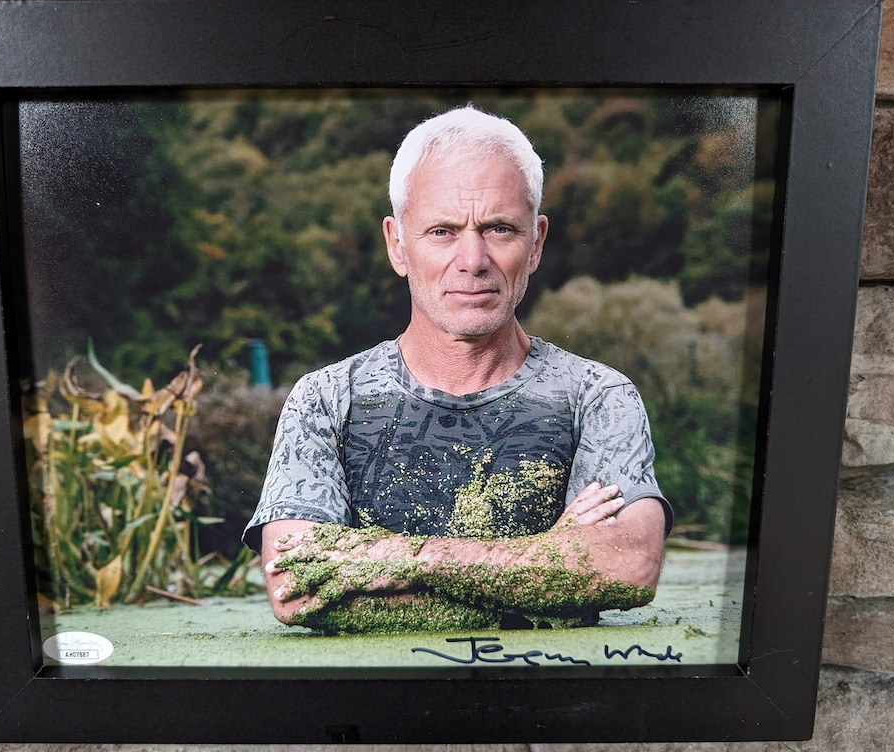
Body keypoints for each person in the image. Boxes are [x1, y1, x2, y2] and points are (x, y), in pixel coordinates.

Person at [242, 105, 671, 633]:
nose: (472, 259)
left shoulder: (598, 395)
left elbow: (625, 568)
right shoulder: (327, 400)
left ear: (535, 243)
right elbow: (297, 587)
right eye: (442, 231)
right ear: (398, 244)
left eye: (498, 228)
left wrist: (387, 561)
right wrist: (548, 560)